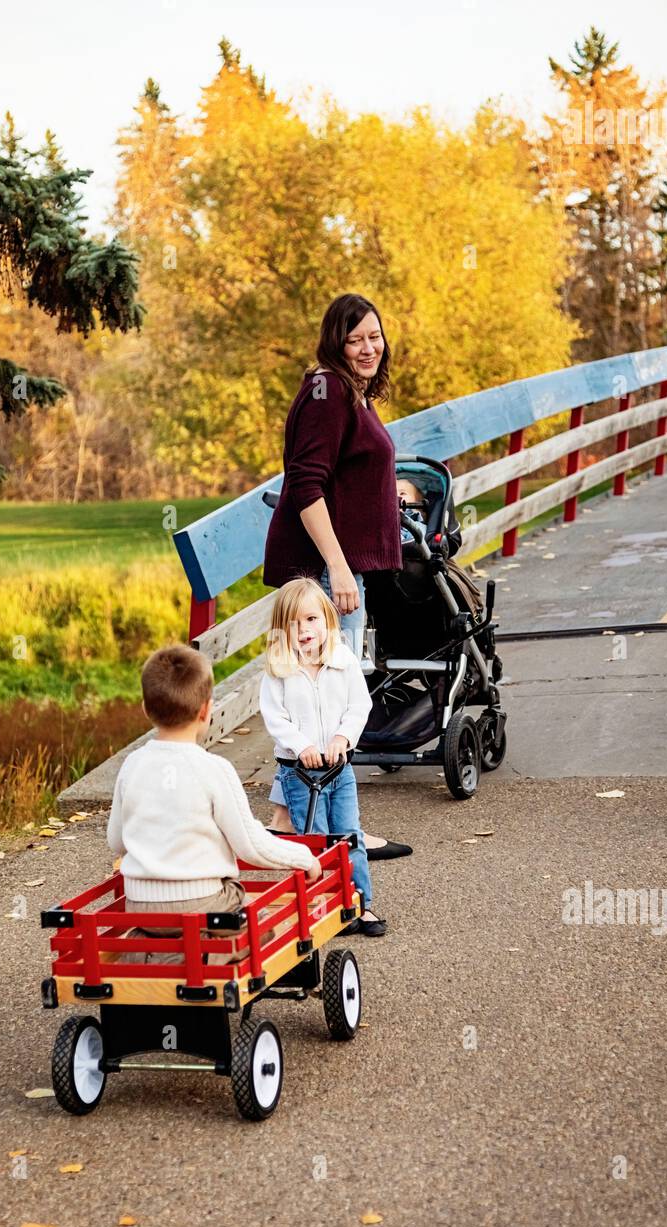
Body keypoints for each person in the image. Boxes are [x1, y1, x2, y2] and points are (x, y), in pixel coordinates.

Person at [262, 291, 411, 862]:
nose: (369, 347)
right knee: (326, 696)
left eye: (375, 336)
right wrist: (341, 568)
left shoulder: (348, 391)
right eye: (356, 339)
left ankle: (283, 819)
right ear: (336, 343)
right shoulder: (327, 392)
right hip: (326, 573)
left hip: (334, 568)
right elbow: (306, 485)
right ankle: (344, 829)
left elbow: (346, 476)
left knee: (317, 694)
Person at [107, 643, 322, 965]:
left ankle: (153, 951)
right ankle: (214, 955)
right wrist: (303, 857)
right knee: (257, 915)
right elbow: (250, 844)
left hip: (141, 907)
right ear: (206, 710)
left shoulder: (132, 765)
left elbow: (117, 841)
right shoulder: (212, 769)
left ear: (145, 708)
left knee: (177, 921)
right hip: (202, 903)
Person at [259, 577, 387, 938]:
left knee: (348, 836)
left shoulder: (341, 660)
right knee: (313, 838)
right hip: (298, 774)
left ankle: (360, 901)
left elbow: (359, 705)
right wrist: (302, 745)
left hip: (338, 769)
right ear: (282, 630)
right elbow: (275, 717)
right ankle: (324, 904)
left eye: (312, 619)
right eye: (294, 623)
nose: (304, 630)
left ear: (327, 621)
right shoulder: (279, 669)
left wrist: (343, 737)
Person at [396, 478, 429, 543]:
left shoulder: (418, 527)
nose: (396, 496)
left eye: (402, 493)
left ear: (418, 503)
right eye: (391, 493)